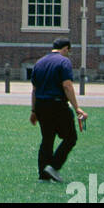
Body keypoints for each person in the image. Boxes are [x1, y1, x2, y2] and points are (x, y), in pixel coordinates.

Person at [30, 37, 86, 182]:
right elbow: (67, 85)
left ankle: (43, 175)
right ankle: (53, 167)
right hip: (57, 104)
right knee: (70, 138)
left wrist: (34, 111)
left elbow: (34, 90)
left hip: (41, 105)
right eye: (69, 51)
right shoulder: (64, 61)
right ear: (66, 48)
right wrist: (77, 107)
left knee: (47, 139)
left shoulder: (39, 62)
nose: (68, 54)